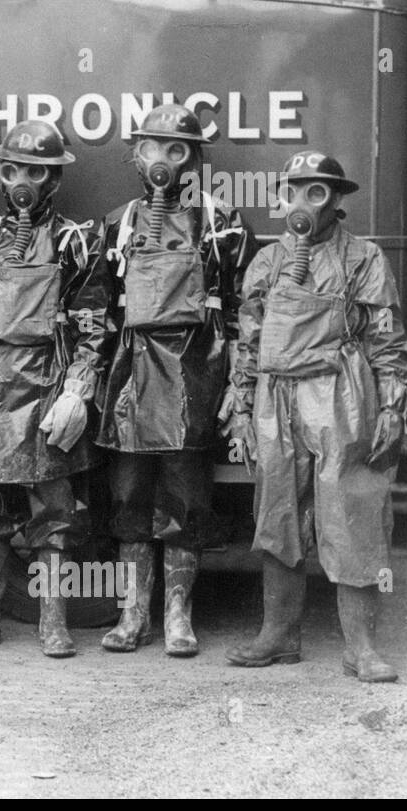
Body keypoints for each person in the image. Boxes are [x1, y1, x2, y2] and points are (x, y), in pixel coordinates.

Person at [223, 152, 407, 683]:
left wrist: (393, 405)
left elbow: (387, 338)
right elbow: (249, 340)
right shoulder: (268, 260)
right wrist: (241, 407)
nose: (302, 204)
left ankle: (361, 647)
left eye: (316, 192)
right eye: (294, 190)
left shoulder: (363, 258)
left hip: (339, 394)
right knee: (277, 511)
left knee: (351, 510)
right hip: (275, 396)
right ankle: (278, 635)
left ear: (337, 199)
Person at [0, 120, 113, 656]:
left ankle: (54, 623)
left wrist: (77, 389)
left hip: (45, 389)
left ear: (54, 180)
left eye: (36, 172)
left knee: (53, 512)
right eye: (12, 170)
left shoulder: (74, 242)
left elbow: (93, 322)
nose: (22, 182)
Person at [97, 104, 254, 656]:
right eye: (151, 148)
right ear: (135, 156)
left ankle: (178, 618)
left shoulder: (221, 222)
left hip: (193, 378)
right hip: (129, 381)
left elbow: (239, 311)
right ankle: (132, 615)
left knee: (186, 501)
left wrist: (238, 385)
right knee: (130, 499)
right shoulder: (118, 223)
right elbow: (98, 309)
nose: (162, 160)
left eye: (175, 149)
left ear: (193, 158)